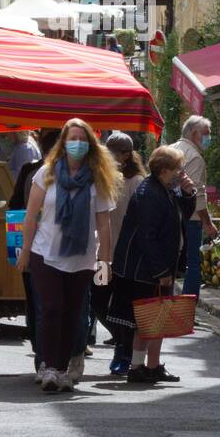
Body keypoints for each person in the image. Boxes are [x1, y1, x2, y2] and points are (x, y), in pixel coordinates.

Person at [16, 119, 119, 392]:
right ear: (63, 143)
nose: (77, 144)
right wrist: (25, 251)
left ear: (90, 145)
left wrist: (105, 262)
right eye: (72, 138)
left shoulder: (97, 179)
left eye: (83, 139)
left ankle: (61, 369)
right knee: (51, 309)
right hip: (45, 253)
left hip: (82, 258)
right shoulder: (46, 174)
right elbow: (30, 216)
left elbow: (104, 225)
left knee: (72, 315)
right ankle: (48, 366)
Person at [111, 145, 197, 385]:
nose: (181, 173)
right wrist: (160, 271)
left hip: (158, 267)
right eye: (178, 168)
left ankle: (153, 365)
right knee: (146, 321)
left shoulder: (163, 189)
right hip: (145, 269)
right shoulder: (150, 193)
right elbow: (146, 236)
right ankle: (138, 367)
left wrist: (189, 194)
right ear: (164, 170)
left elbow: (180, 214)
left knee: (158, 319)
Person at [8, 129, 59, 373]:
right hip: (53, 248)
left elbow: (14, 205)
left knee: (35, 302)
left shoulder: (29, 170)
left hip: (29, 246)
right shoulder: (62, 173)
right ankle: (50, 356)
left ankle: (41, 354)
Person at [96, 133, 147, 376]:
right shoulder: (105, 179)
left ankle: (123, 352)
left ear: (126, 155)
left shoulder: (136, 182)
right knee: (98, 301)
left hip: (126, 257)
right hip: (104, 254)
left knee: (122, 306)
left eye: (114, 153)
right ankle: (120, 340)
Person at [173, 116, 217, 298]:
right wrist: (207, 222)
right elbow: (197, 195)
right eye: (206, 134)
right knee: (193, 263)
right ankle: (189, 305)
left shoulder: (171, 149)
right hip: (190, 218)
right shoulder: (195, 157)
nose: (208, 138)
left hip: (171, 213)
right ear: (194, 134)